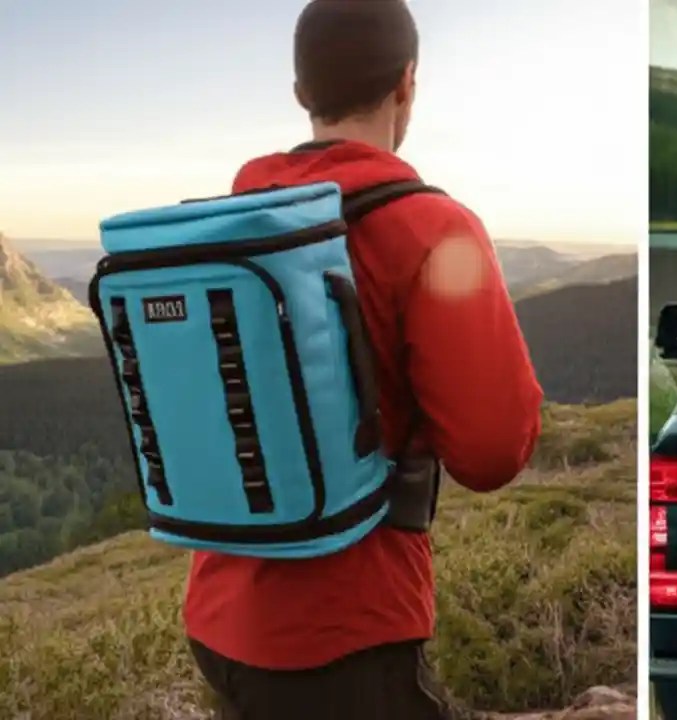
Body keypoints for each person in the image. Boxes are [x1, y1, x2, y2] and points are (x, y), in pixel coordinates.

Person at [182, 1, 544, 718]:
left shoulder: (234, 218)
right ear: (408, 84)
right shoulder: (435, 230)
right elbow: (493, 452)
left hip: (218, 613)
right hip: (348, 630)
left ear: (301, 95)